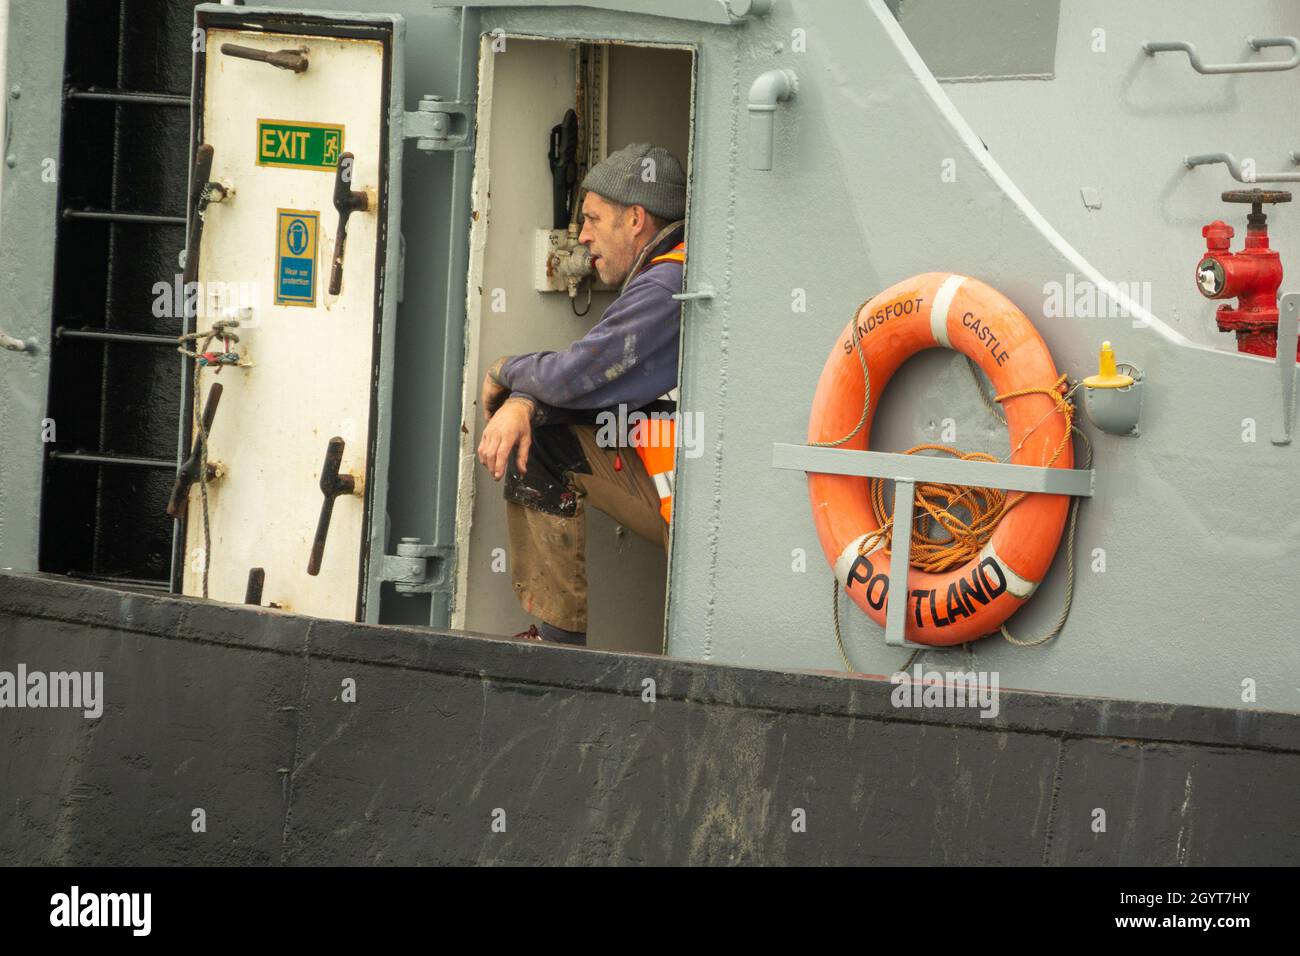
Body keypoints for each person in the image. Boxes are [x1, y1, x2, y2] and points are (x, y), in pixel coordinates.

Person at [476, 142, 687, 647]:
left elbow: (580, 373)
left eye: (593, 219)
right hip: (681, 481)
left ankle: (557, 648)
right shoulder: (673, 271)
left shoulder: (666, 285)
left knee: (539, 444)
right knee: (537, 425)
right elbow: (596, 384)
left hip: (698, 501)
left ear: (635, 218)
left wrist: (506, 372)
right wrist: (526, 403)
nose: (584, 236)